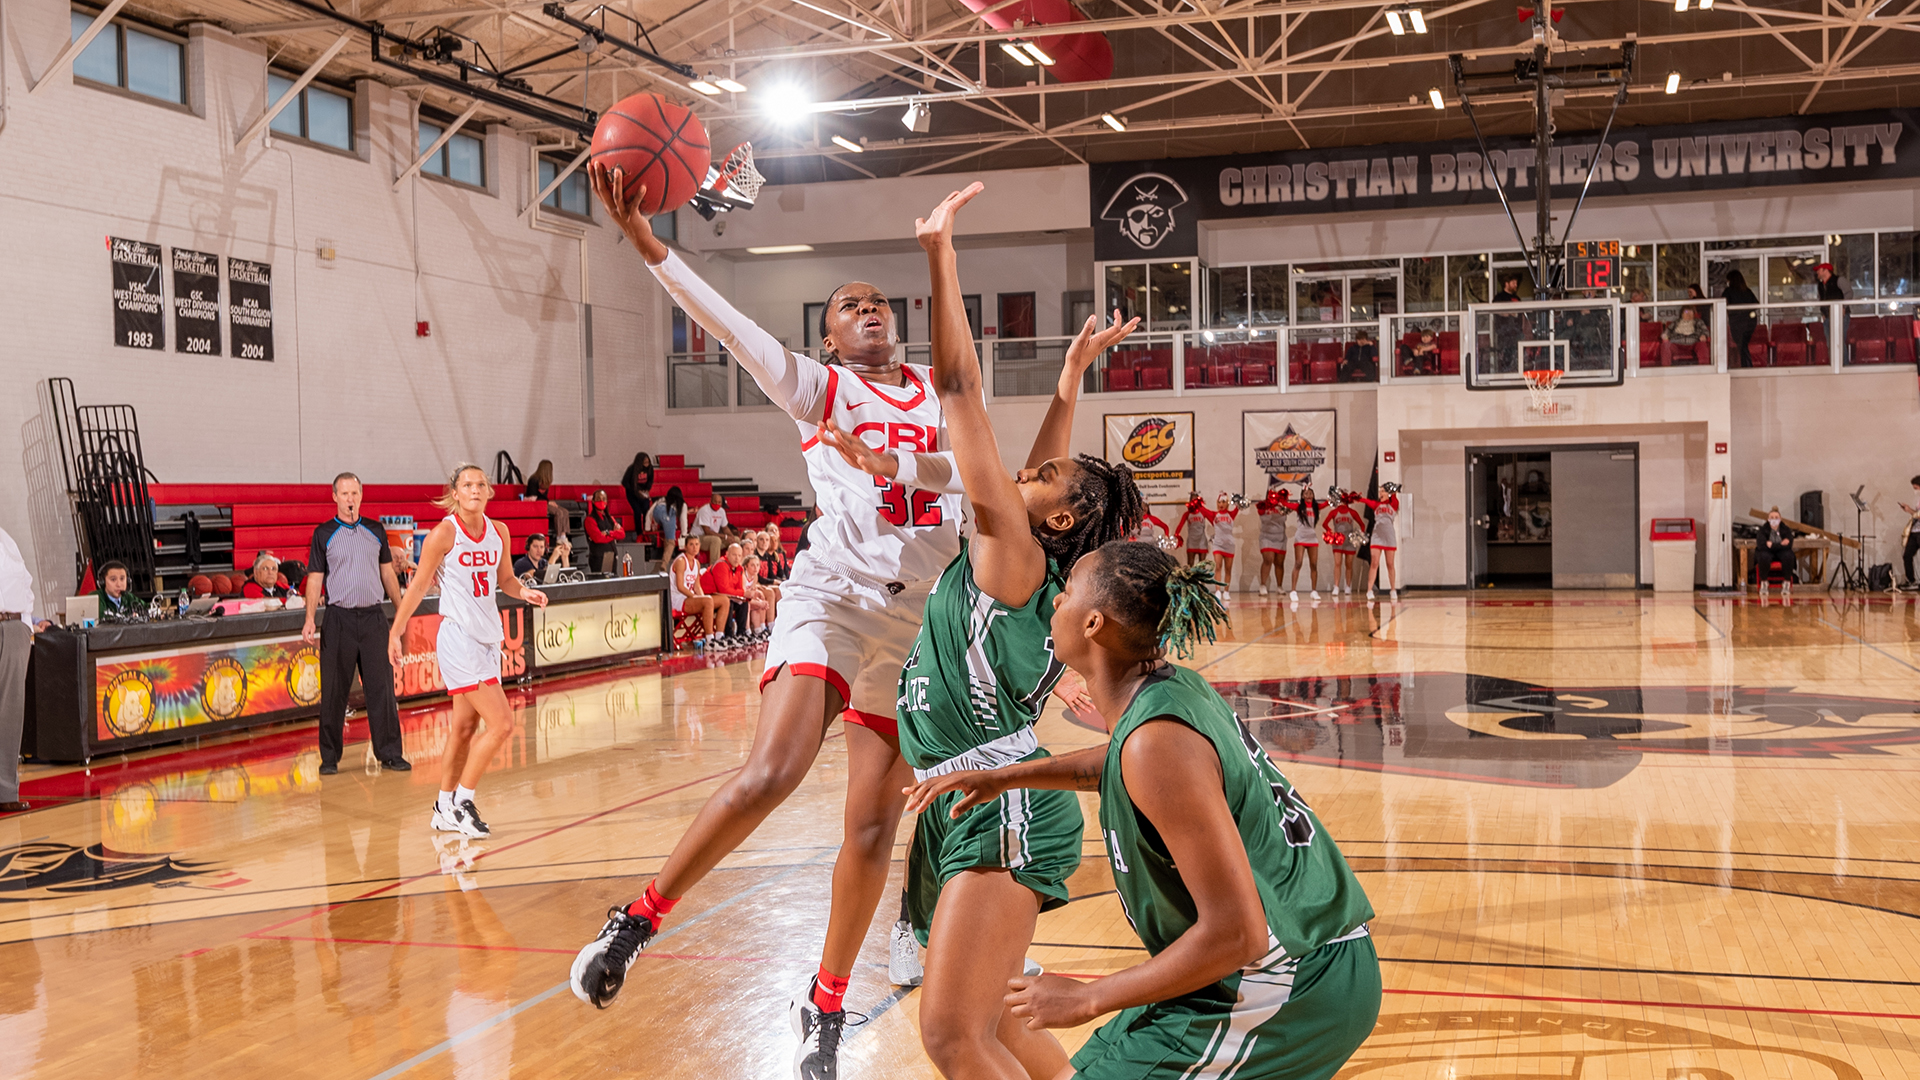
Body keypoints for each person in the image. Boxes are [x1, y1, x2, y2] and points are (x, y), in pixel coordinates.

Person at [570, 161, 974, 1068]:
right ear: (827, 341)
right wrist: (645, 244)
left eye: (879, 300)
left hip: (917, 628)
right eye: (849, 305)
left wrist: (891, 464)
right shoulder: (819, 390)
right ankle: (637, 920)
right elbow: (728, 323)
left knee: (874, 826)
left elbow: (967, 474)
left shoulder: (941, 399)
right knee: (773, 772)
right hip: (832, 600)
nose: (870, 308)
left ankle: (824, 1006)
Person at [838, 181, 1144, 1080]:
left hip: (999, 798)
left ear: (1056, 520)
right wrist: (1068, 383)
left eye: (1042, 476)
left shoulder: (1009, 552)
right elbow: (1040, 479)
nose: (1023, 471)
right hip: (976, 794)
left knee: (951, 1036)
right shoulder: (1029, 553)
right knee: (1000, 1023)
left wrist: (941, 256)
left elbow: (961, 388)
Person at [906, 541, 1379, 1080]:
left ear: (1093, 624)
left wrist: (1089, 999)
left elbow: (1237, 933)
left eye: (1067, 595)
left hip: (1288, 982)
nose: (1055, 602)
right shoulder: (1169, 694)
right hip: (1294, 960)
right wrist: (1005, 776)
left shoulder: (1156, 743)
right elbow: (1123, 761)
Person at [387, 464, 548, 839]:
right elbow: (418, 587)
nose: (475, 490)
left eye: (481, 484)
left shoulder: (499, 532)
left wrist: (524, 592)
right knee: (503, 724)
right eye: (467, 485)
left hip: (488, 638)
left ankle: (443, 806)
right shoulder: (444, 533)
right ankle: (462, 801)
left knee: (463, 727)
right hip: (458, 639)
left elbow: (505, 579)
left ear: (489, 491)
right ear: (455, 493)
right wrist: (396, 631)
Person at [303, 473, 410, 775]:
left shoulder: (376, 530)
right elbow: (315, 579)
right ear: (334, 497)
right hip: (339, 619)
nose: (350, 498)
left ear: (361, 495)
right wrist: (310, 618)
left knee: (382, 689)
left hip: (374, 618)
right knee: (334, 691)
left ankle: (390, 753)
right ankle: (329, 758)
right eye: (344, 493)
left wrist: (400, 616)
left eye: (355, 493)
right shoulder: (323, 533)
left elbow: (389, 575)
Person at [0, 525, 39, 813]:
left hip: (14, 627)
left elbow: (23, 583)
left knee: (10, 711)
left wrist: (26, 623)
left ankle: (5, 791)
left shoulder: (6, 539)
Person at [667, 535, 726, 649]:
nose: (695, 547)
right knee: (707, 601)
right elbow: (680, 586)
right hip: (678, 599)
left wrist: (702, 598)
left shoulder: (697, 563)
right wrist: (697, 598)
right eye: (691, 544)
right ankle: (710, 640)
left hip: (690, 598)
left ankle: (719, 636)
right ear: (685, 546)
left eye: (697, 544)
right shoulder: (681, 561)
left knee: (724, 600)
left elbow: (697, 586)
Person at [1348, 483, 1403, 601]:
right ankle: (1369, 590)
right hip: (1377, 536)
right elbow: (1365, 501)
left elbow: (1394, 495)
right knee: (1374, 563)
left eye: (1383, 491)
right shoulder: (1376, 505)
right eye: (1380, 491)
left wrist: (1393, 489)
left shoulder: (1393, 504)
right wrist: (1356, 498)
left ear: (1388, 493)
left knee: (1390, 564)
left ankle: (1393, 589)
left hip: (1389, 537)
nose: (1381, 493)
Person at [1281, 484, 1326, 602]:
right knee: (1298, 562)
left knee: (1314, 564)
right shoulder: (1298, 507)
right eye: (1306, 494)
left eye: (1311, 493)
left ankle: (1314, 591)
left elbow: (1327, 503)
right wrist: (1279, 497)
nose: (1308, 495)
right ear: (1302, 496)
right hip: (1300, 537)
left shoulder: (1316, 507)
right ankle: (1293, 591)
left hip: (1312, 538)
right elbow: (1285, 504)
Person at [700, 542, 750, 644]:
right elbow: (724, 590)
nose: (737, 558)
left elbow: (739, 589)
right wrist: (743, 593)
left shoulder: (739, 568)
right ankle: (728, 635)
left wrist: (746, 595)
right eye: (734, 555)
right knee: (727, 601)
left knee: (743, 602)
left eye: (739, 555)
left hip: (724, 596)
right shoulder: (722, 564)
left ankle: (741, 634)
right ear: (727, 554)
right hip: (709, 597)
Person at [1322, 489, 1365, 596]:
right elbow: (1324, 524)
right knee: (1337, 563)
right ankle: (1336, 586)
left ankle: (1348, 586)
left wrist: (1358, 536)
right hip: (1338, 540)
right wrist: (1330, 532)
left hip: (1349, 541)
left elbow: (1362, 525)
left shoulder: (1352, 512)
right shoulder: (1334, 512)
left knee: (1349, 564)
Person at [524, 459, 570, 548]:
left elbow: (544, 496)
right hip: (537, 504)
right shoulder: (533, 480)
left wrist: (549, 501)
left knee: (565, 512)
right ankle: (559, 536)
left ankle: (564, 535)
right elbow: (533, 496)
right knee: (559, 513)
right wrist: (548, 502)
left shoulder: (545, 482)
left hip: (544, 502)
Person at [1253, 491, 1288, 597]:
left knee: (1279, 563)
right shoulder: (1263, 506)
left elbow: (1284, 518)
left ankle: (1279, 586)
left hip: (1280, 537)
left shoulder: (1282, 506)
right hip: (1266, 537)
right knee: (1268, 559)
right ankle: (1263, 585)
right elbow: (1263, 518)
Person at [583, 490, 626, 575]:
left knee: (613, 581)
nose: (601, 501)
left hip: (612, 555)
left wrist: (608, 533)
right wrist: (614, 534)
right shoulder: (590, 519)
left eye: (604, 499)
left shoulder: (610, 518)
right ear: (593, 501)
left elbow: (622, 534)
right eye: (598, 499)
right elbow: (598, 538)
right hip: (598, 556)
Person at [1723, 270, 1760, 369]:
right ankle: (1747, 365)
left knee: (1742, 345)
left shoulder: (1728, 291)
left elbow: (1722, 304)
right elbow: (1756, 304)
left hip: (1737, 323)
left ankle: (1747, 366)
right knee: (1744, 344)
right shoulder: (1747, 291)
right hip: (1750, 322)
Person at [1756, 507, 1796, 596]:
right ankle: (1764, 582)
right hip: (1767, 551)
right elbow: (1761, 545)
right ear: (1768, 519)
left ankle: (1786, 583)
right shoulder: (1762, 530)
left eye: (1776, 517)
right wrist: (1780, 544)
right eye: (1772, 517)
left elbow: (1789, 544)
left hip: (1781, 551)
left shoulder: (1785, 529)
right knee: (1763, 556)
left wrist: (1773, 545)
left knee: (1789, 555)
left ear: (1780, 519)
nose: (1774, 519)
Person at [1208, 493, 1240, 600]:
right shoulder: (1213, 515)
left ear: (1227, 503)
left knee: (1228, 569)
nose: (1221, 504)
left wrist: (1238, 499)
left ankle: (1226, 591)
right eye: (1219, 502)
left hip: (1229, 545)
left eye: (1223, 502)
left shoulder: (1231, 514)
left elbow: (1239, 505)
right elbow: (1202, 510)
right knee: (1218, 566)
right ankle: (1217, 590)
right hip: (1218, 545)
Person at [650, 485, 687, 563]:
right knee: (671, 542)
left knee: (668, 540)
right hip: (665, 523)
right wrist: (684, 534)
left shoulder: (661, 500)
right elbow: (683, 520)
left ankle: (665, 562)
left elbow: (650, 513)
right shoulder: (681, 505)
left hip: (658, 521)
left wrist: (647, 528)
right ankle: (664, 564)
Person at [622, 452, 655, 533]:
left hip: (643, 493)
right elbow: (625, 482)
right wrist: (635, 490)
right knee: (637, 511)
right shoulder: (632, 469)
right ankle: (639, 531)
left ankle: (646, 530)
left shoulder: (650, 469)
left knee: (646, 511)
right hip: (633, 493)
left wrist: (647, 488)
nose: (647, 464)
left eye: (648, 462)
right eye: (645, 462)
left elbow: (650, 480)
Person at [692, 492, 729, 565]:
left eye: (719, 502)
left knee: (736, 540)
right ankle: (714, 567)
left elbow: (725, 528)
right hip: (698, 538)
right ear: (710, 501)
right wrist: (725, 536)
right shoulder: (704, 510)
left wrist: (731, 537)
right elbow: (707, 531)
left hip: (713, 537)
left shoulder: (722, 511)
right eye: (715, 502)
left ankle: (731, 566)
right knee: (716, 540)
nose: (717, 504)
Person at [1174, 494, 1210, 567]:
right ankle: (1191, 578)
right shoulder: (1187, 514)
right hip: (1191, 541)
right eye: (1192, 500)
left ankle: (1200, 578)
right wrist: (1177, 535)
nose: (1194, 502)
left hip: (1202, 540)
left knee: (1202, 566)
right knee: (1190, 564)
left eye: (1195, 500)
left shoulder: (1203, 511)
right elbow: (1180, 525)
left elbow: (1213, 518)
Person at [1900, 477, 1920, 591]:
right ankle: (1911, 580)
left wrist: (1909, 511)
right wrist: (1909, 510)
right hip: (1915, 531)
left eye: (1915, 487)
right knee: (1907, 555)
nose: (1914, 489)